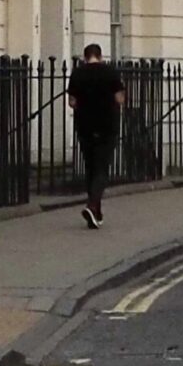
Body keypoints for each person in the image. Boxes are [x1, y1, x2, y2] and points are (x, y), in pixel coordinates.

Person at [66, 44, 126, 228]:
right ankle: (92, 206)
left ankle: (96, 213)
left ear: (85, 57)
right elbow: (119, 98)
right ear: (100, 56)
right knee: (102, 168)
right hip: (107, 125)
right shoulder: (110, 72)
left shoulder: (77, 73)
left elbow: (72, 102)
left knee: (91, 167)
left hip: (85, 126)